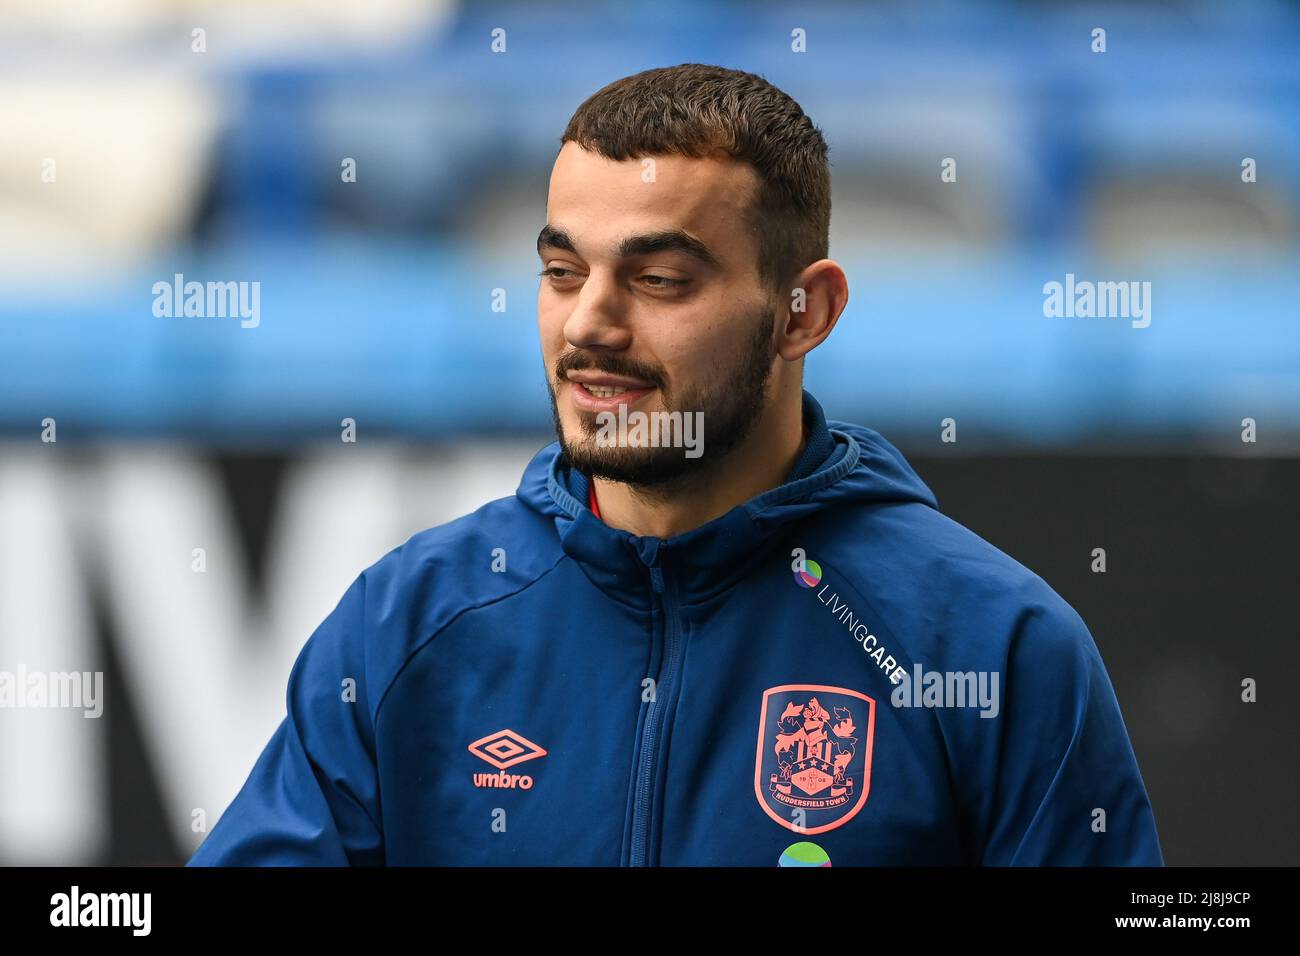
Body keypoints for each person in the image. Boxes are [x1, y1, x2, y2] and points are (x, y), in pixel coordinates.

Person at [189, 63, 1163, 866]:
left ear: (804, 311)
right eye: (562, 271)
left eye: (658, 279)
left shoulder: (990, 643)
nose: (590, 324)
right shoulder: (405, 623)